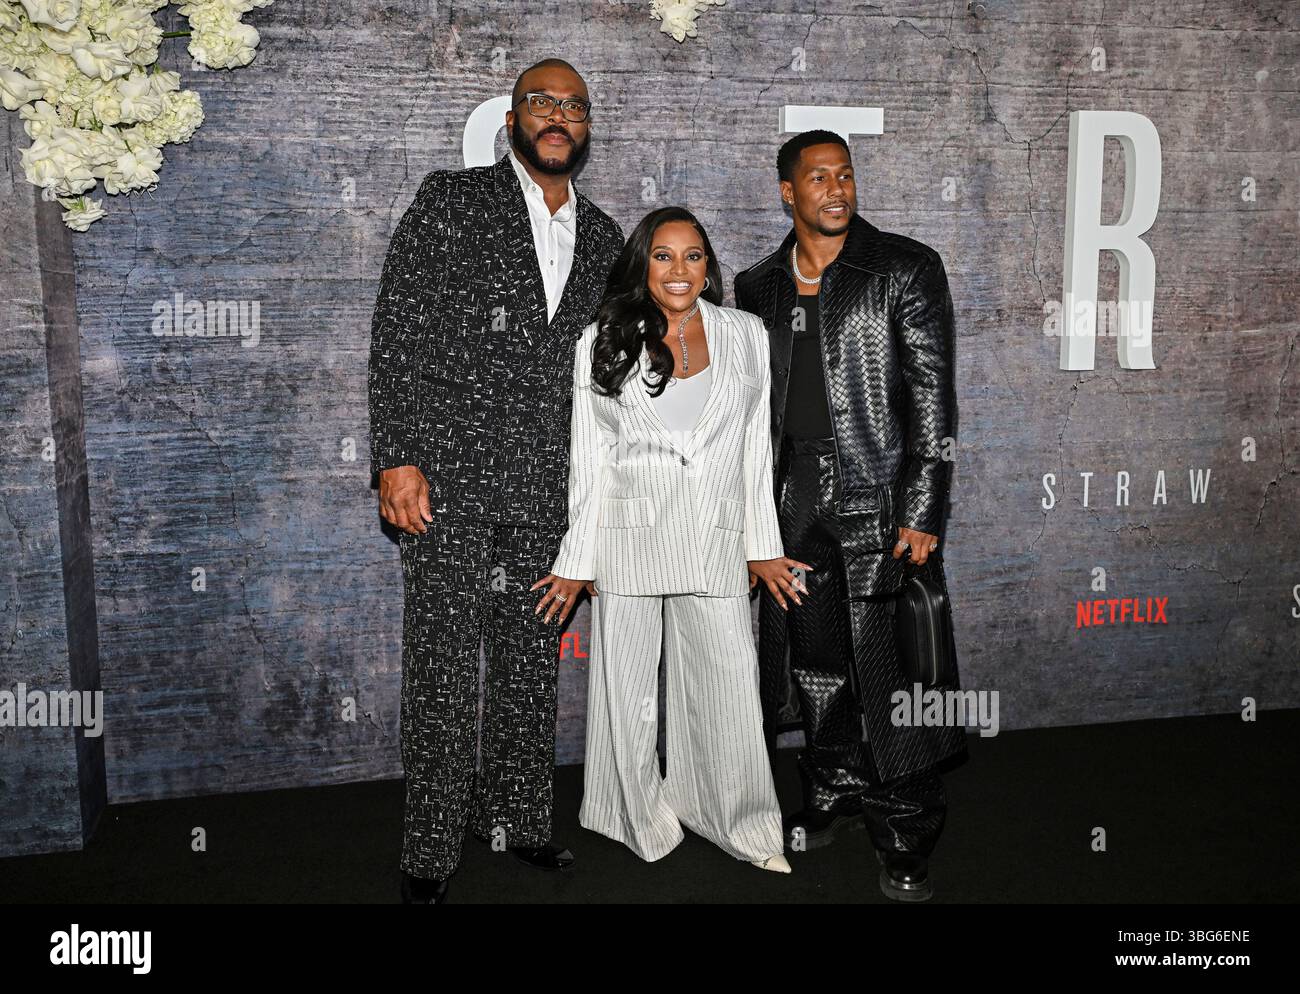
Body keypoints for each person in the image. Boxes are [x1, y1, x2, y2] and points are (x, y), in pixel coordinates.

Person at [367, 58, 625, 904]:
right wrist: (396, 456)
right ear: (512, 118)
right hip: (447, 478)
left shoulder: (607, 237)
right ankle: (431, 849)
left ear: (586, 129)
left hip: (550, 486)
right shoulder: (453, 199)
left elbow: (617, 369)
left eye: (574, 107)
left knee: (528, 663)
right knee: (442, 666)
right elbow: (398, 328)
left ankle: (515, 819)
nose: (559, 116)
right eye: (542, 102)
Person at [531, 207, 809, 872]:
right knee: (626, 691)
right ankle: (632, 816)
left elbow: (752, 450)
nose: (678, 270)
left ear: (709, 266)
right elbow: (590, 460)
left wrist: (760, 545)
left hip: (714, 536)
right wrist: (578, 558)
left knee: (728, 685)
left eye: (692, 256)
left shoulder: (744, 334)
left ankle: (738, 820)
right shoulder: (602, 338)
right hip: (628, 537)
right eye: (663, 256)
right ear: (642, 264)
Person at [733, 129, 968, 901]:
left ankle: (905, 829)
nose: (837, 190)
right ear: (787, 192)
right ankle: (831, 786)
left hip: (878, 494)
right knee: (816, 662)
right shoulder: (757, 285)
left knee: (890, 672)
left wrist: (924, 505)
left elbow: (934, 394)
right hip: (792, 493)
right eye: (818, 178)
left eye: (846, 175)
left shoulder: (902, 266)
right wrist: (752, 519)